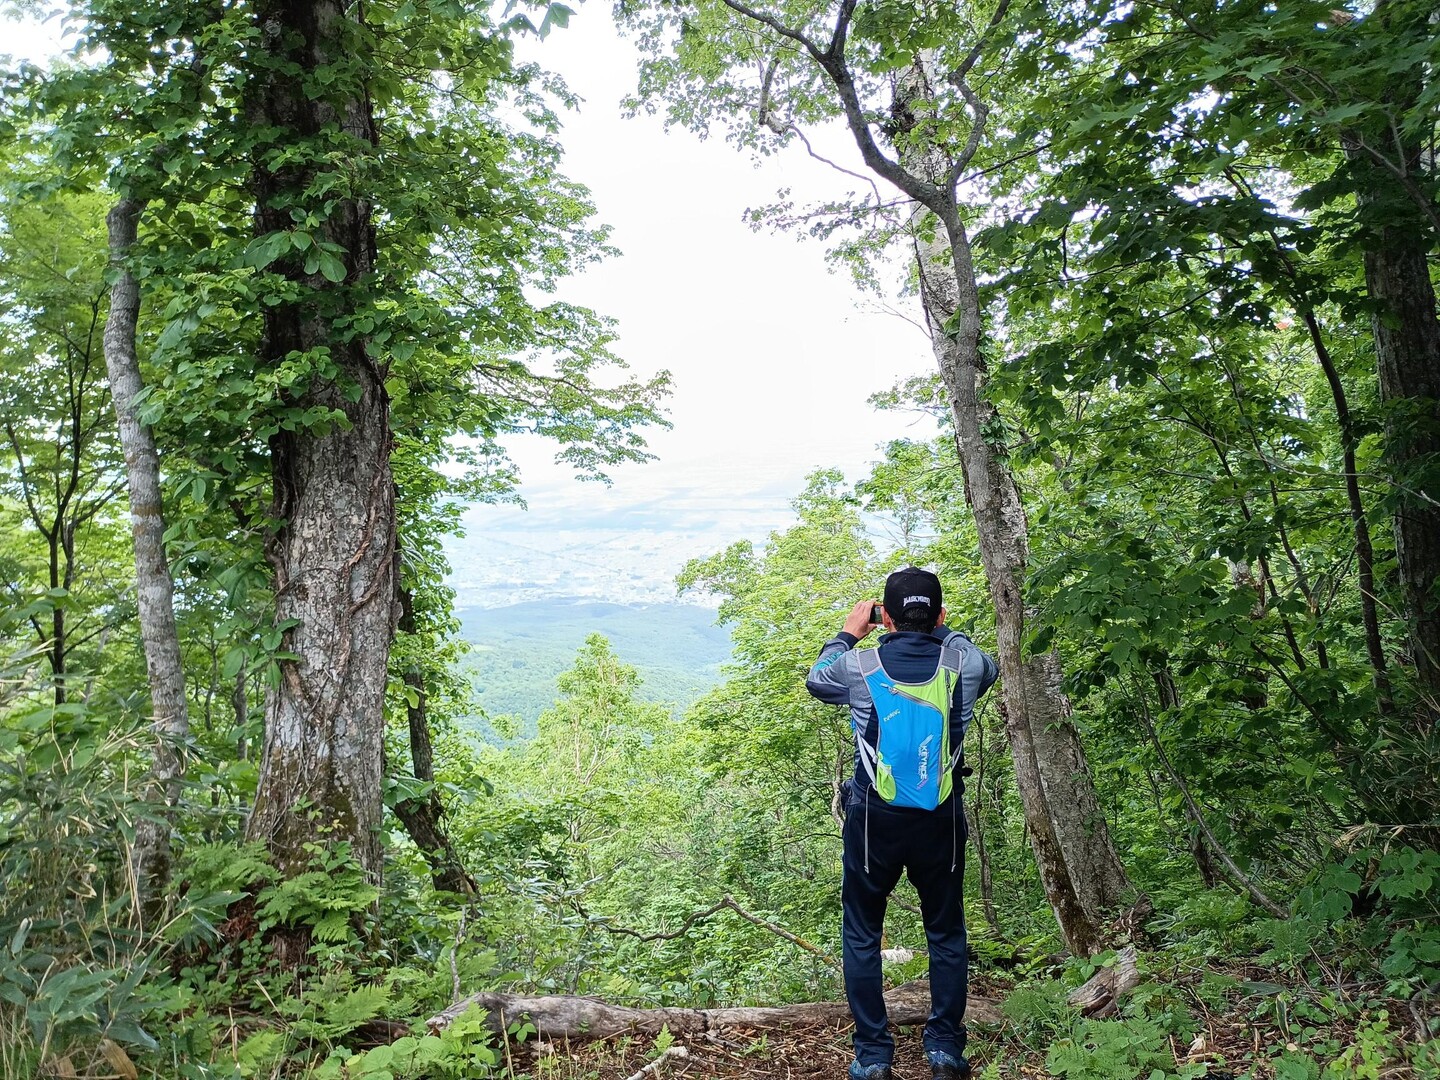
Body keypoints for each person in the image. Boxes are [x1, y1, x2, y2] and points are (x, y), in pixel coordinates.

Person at [806, 567, 998, 1080]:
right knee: (946, 931)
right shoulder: (964, 662)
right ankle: (944, 1050)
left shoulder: (858, 665)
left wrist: (848, 633)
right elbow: (990, 666)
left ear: (884, 618)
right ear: (939, 615)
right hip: (941, 817)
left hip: (875, 820)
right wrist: (941, 628)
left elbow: (817, 680)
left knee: (863, 932)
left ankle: (873, 1055)